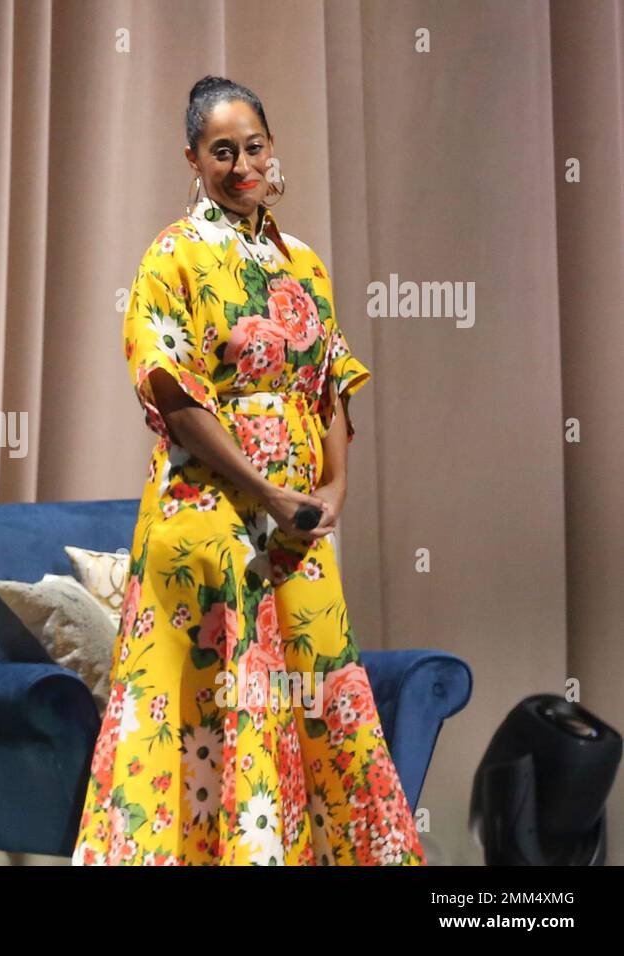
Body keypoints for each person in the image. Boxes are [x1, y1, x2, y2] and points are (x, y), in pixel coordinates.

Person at [72, 76, 426, 865]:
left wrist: (333, 490)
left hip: (297, 527)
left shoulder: (302, 261)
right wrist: (263, 490)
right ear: (193, 159)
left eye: (252, 147)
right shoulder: (173, 254)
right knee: (213, 719)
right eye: (221, 151)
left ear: (272, 148)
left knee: (320, 703)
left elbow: (332, 378)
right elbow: (169, 389)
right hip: (208, 521)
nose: (240, 165)